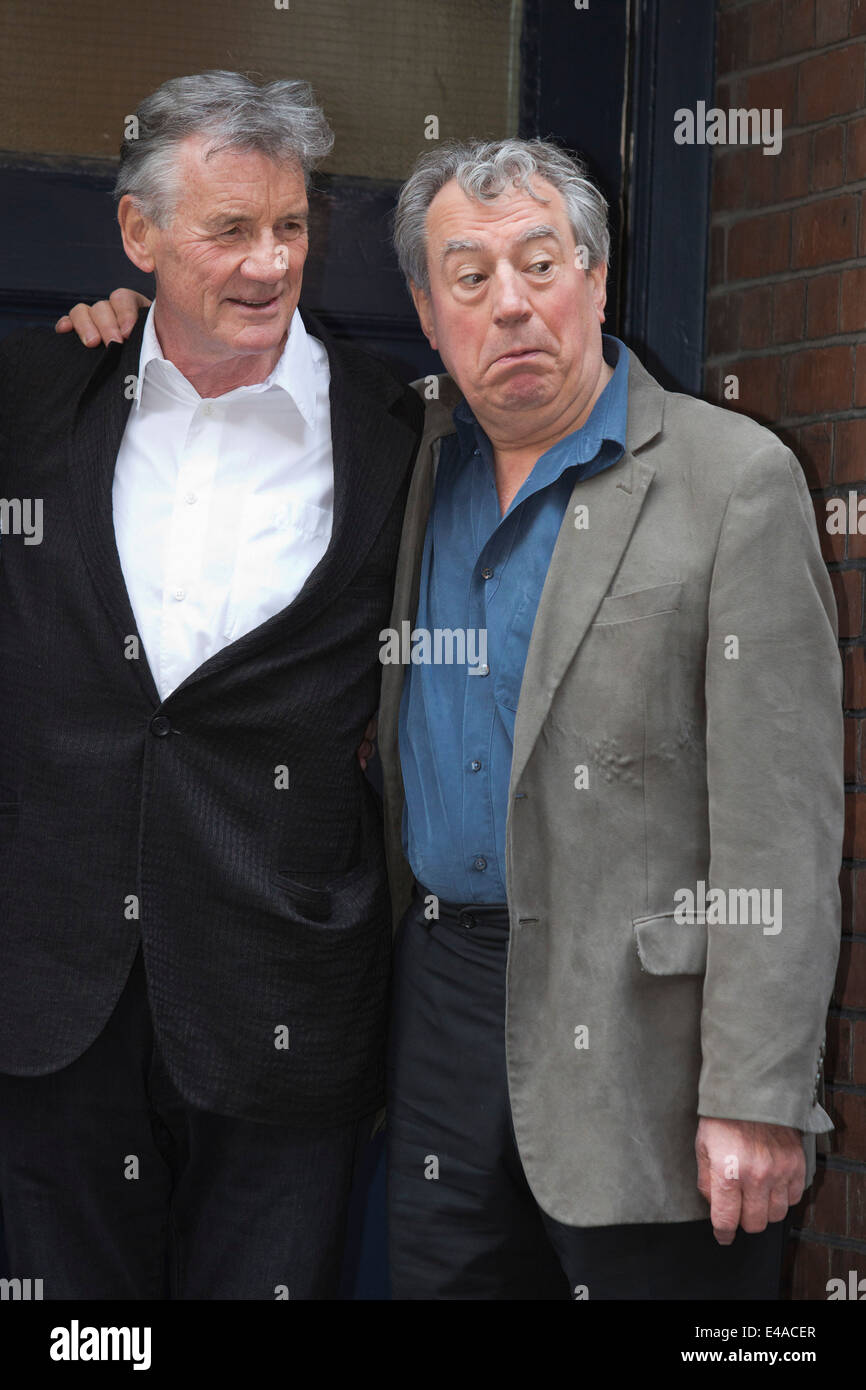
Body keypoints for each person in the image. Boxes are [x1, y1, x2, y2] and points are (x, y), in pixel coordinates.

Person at [61, 138, 844, 1302]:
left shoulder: (730, 480)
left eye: (539, 261)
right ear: (428, 316)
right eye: (467, 278)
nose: (511, 303)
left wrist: (757, 1092)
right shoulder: (410, 457)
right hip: (442, 997)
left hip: (647, 1033)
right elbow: (228, 382)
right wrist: (130, 330)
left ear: (595, 275)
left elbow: (782, 822)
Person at [0, 70, 422, 1300]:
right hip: (52, 1001)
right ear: (139, 234)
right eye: (227, 229)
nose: (266, 263)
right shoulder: (37, 397)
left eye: (288, 226)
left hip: (281, 1001)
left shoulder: (399, 434)